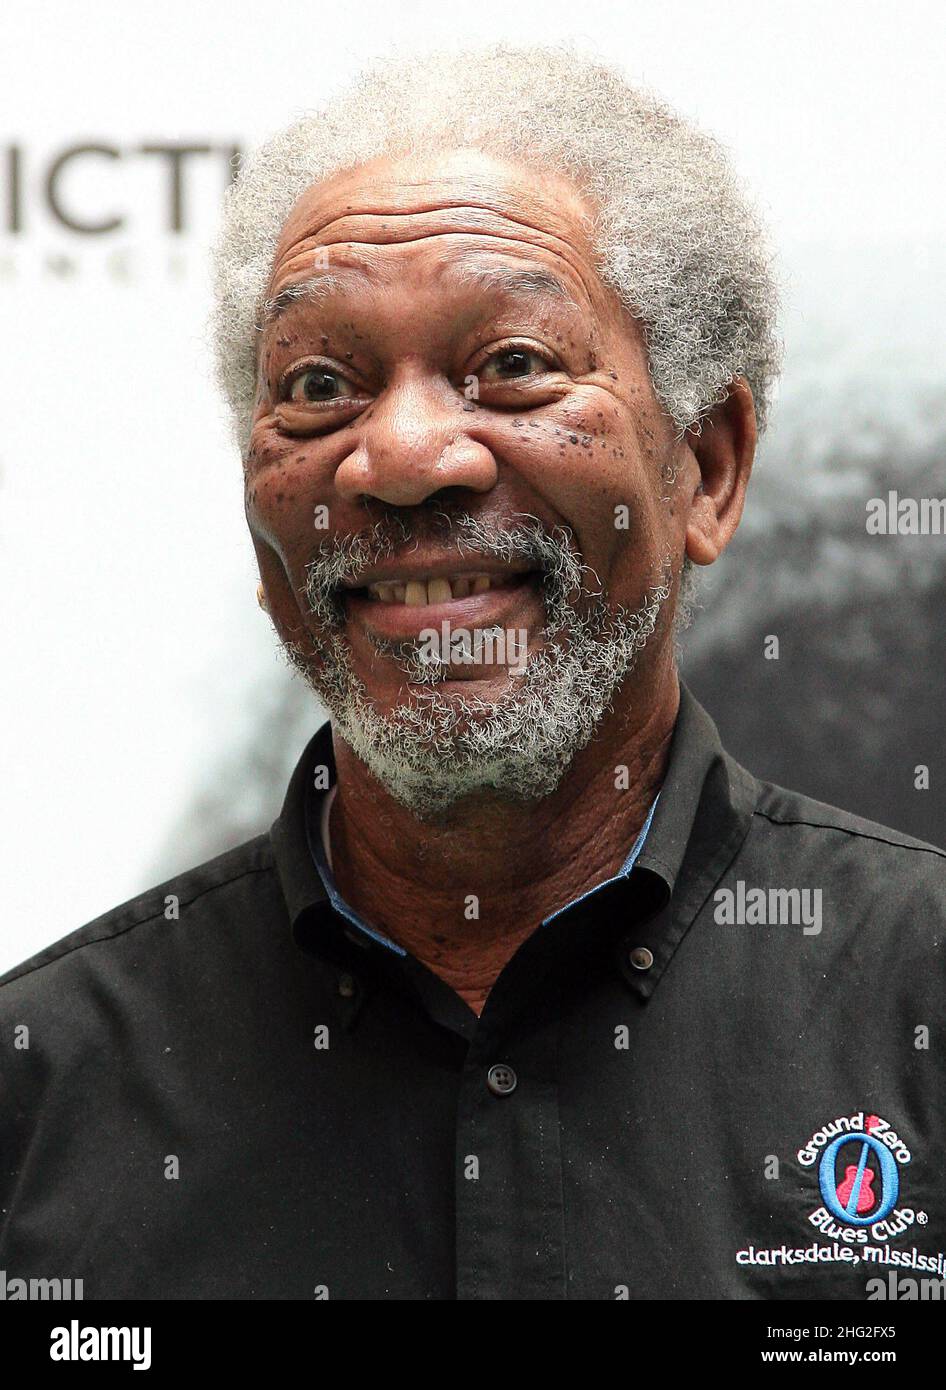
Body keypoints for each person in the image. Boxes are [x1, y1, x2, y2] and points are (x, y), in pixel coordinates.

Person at [2, 45, 944, 1301]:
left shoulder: (912, 1004)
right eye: (319, 386)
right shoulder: (44, 1087)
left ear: (705, 467)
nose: (398, 455)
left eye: (511, 365)